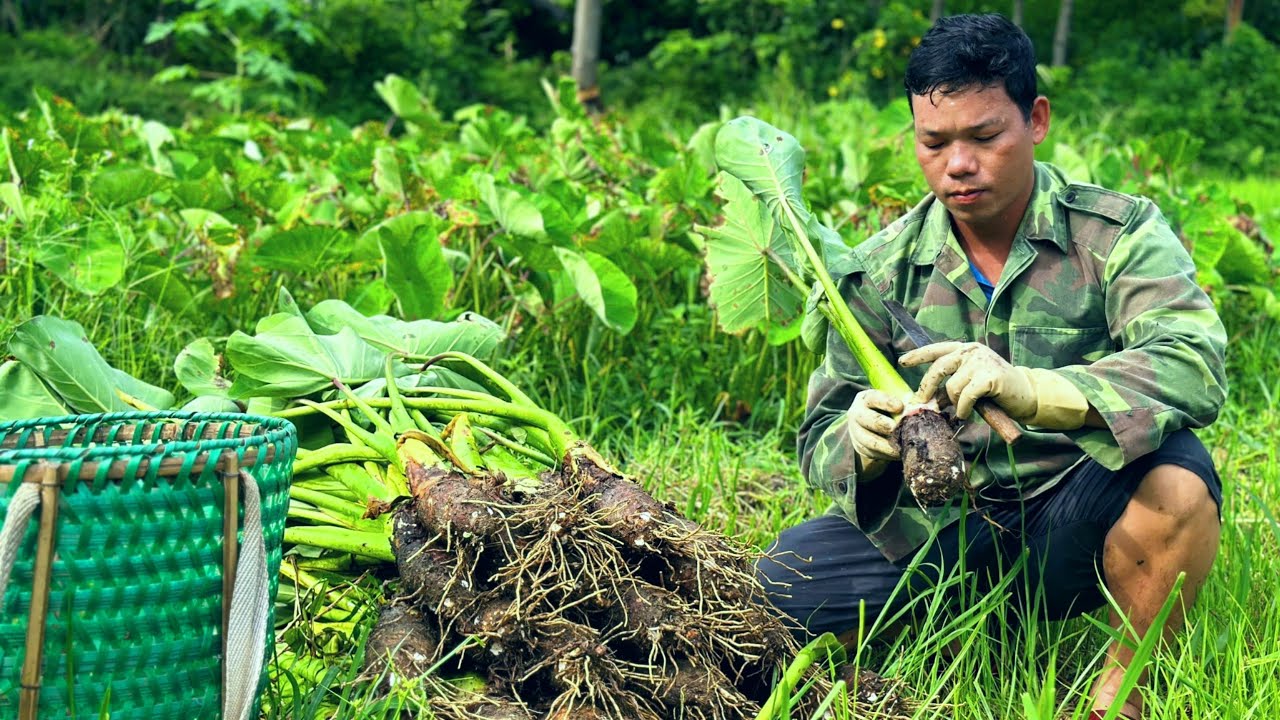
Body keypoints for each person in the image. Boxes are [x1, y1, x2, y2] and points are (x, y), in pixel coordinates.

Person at [756, 13, 1227, 720]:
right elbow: (819, 434)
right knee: (776, 586)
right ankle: (945, 639)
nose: (958, 164)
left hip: (1073, 507)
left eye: (984, 137)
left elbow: (1192, 361)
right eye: (934, 142)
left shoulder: (1114, 233)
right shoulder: (879, 270)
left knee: (1178, 480)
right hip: (939, 525)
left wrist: (1034, 390)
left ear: (1035, 120)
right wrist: (858, 436)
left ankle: (1120, 696)